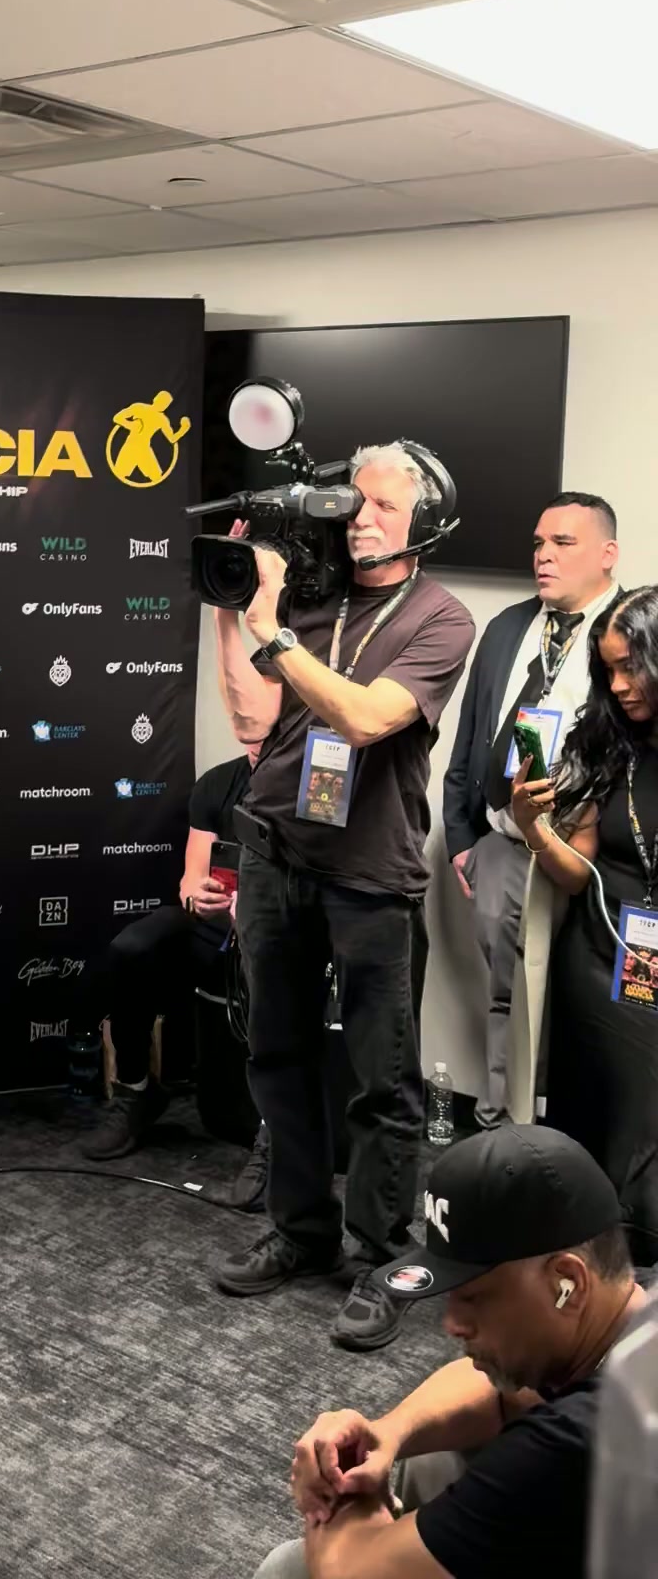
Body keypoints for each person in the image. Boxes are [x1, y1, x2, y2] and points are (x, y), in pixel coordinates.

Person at [214, 442, 475, 1352]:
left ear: (424, 522)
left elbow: (365, 719)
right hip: (275, 857)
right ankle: (300, 1229)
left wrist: (279, 636)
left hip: (370, 878)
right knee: (277, 1058)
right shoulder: (310, 595)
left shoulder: (442, 618)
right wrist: (259, 604)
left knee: (381, 1079)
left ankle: (379, 1253)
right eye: (350, 501)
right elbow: (255, 714)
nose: (358, 516)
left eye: (381, 507)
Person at [254, 1124, 650, 1579]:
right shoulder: (635, 1304)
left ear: (568, 1284)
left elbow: (349, 1571)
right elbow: (498, 1389)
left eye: (475, 1297)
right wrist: (389, 1435)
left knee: (288, 1570)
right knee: (438, 1452)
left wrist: (336, 1490)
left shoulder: (581, 1441)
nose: (451, 1323)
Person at [443, 493, 619, 1126]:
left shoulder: (627, 633)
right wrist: (464, 839)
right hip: (499, 845)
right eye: (538, 544)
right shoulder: (508, 627)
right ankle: (500, 1129)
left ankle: (562, 1139)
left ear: (607, 554)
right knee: (503, 996)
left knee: (575, 999)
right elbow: (467, 742)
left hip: (587, 855)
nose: (543, 556)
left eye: (562, 544)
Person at [511, 586, 658, 1263]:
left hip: (647, 971)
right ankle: (590, 1275)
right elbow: (582, 869)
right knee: (594, 1123)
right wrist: (532, 829)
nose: (620, 686)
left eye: (633, 667)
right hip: (600, 954)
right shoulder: (613, 744)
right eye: (609, 672)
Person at [81, 739, 264, 1184]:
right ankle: (136, 1090)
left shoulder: (313, 783)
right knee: (133, 949)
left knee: (280, 963)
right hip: (217, 928)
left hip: (277, 933)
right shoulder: (219, 783)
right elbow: (191, 880)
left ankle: (275, 1136)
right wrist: (197, 896)